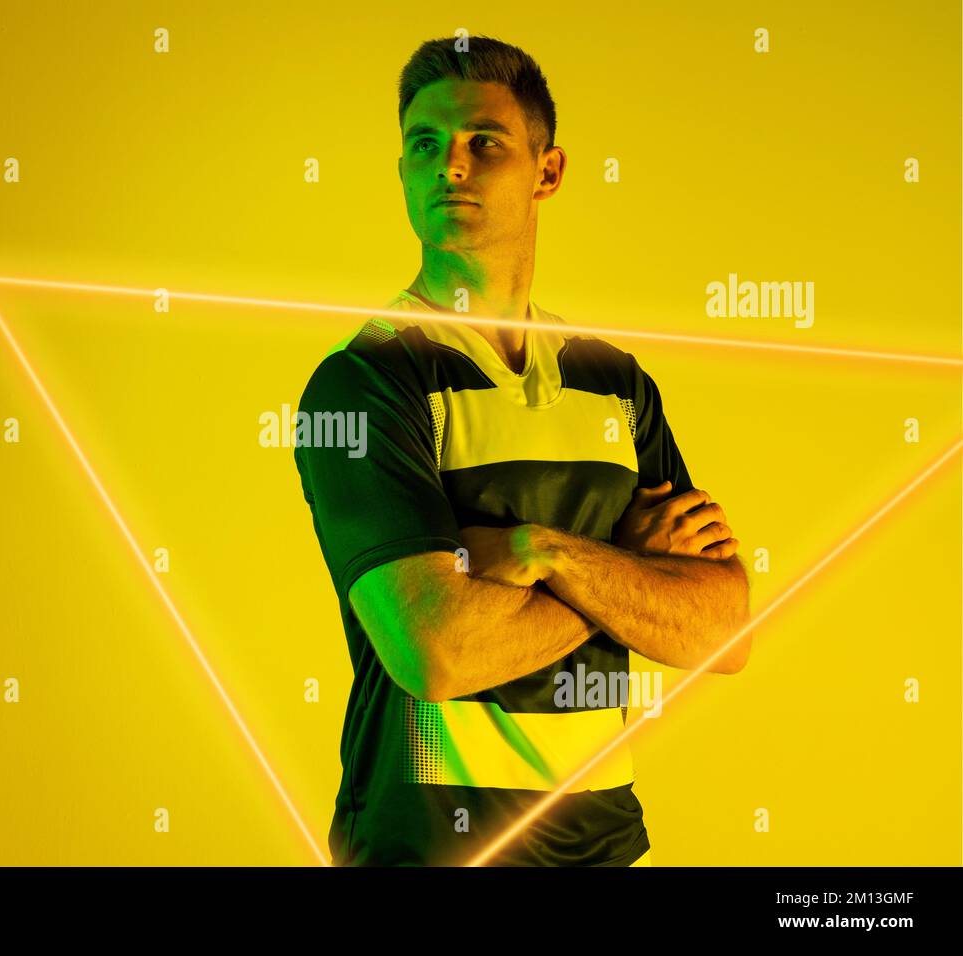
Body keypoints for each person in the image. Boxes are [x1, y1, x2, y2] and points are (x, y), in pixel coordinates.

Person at [293, 35, 751, 867]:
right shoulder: (366, 384)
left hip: (602, 841)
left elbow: (723, 630)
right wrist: (626, 567)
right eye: (425, 145)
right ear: (401, 172)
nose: (451, 167)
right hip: (428, 844)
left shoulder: (613, 381)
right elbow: (438, 653)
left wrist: (540, 554)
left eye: (484, 143)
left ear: (548, 172)